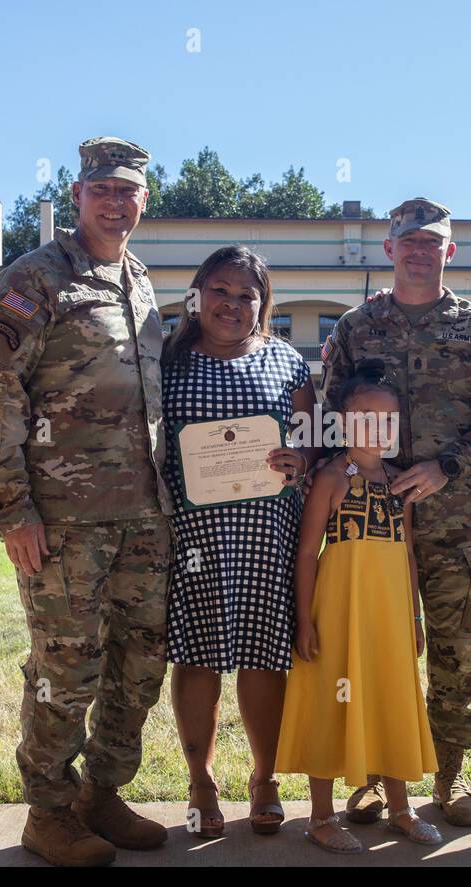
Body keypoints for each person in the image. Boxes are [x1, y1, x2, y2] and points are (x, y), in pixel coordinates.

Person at [0, 136, 173, 867]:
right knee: (67, 667)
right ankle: (48, 811)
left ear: (145, 200)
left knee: (141, 662)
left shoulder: (140, 281)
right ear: (78, 196)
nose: (117, 203)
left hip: (145, 516)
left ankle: (103, 795)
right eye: (102, 190)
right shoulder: (36, 278)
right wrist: (12, 508)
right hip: (62, 521)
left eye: (129, 192)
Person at [321, 197, 471, 828]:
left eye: (431, 242)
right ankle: (375, 776)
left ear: (449, 251)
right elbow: (330, 413)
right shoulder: (357, 328)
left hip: (451, 516)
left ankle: (449, 773)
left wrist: (447, 467)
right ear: (390, 249)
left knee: (456, 643)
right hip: (367, 520)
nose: (418, 251)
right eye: (407, 241)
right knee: (372, 644)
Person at [160, 245, 317, 839]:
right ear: (198, 296)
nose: (232, 303)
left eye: (246, 294)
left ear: (263, 303)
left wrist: (298, 458)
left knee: (262, 653)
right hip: (192, 532)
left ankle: (265, 778)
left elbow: (310, 442)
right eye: (220, 290)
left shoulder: (287, 361)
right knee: (197, 654)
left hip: (267, 530)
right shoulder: (166, 360)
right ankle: (200, 780)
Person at [276, 364, 441, 852]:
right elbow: (307, 553)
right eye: (364, 416)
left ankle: (401, 808)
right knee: (331, 697)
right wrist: (304, 619)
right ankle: (322, 816)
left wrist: (414, 618)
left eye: (387, 418)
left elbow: (407, 553)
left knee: (392, 696)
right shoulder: (328, 477)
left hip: (389, 613)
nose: (376, 427)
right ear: (343, 423)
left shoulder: (401, 481)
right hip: (339, 607)